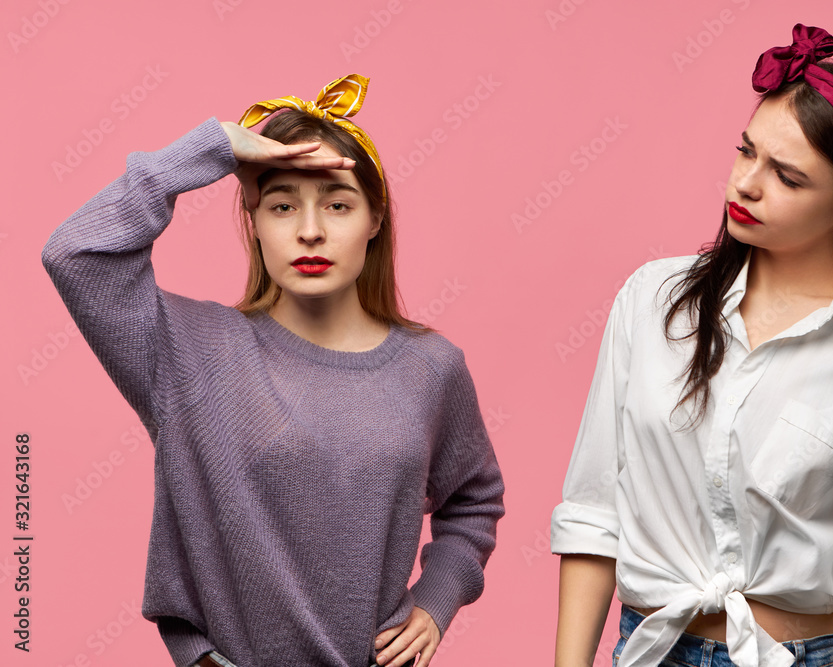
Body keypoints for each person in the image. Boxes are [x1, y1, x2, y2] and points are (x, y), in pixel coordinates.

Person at [42, 74, 505, 667]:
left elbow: (473, 500)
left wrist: (435, 601)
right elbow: (75, 254)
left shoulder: (431, 368)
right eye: (282, 205)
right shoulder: (190, 349)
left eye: (337, 204)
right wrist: (210, 149)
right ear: (253, 221)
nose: (309, 230)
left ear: (375, 219)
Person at [551, 25, 833, 667]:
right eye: (747, 152)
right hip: (652, 650)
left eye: (788, 178)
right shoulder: (653, 301)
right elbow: (595, 511)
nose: (745, 184)